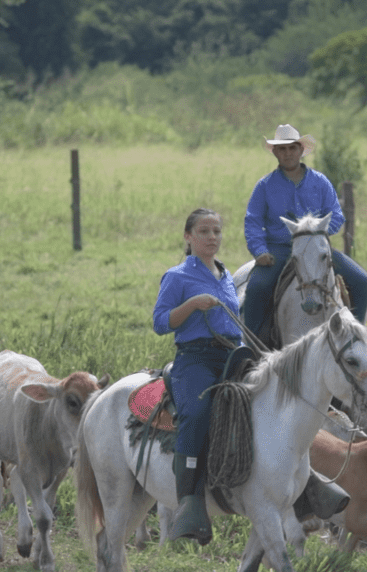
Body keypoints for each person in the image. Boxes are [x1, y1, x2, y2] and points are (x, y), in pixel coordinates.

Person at [152, 208, 242, 545]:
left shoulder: (226, 275)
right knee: (198, 411)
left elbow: (235, 322)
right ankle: (188, 502)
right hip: (196, 358)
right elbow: (161, 322)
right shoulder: (177, 276)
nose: (212, 237)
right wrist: (192, 304)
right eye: (204, 231)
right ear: (188, 237)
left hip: (232, 354)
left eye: (217, 231)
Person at [243, 123, 367, 345]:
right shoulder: (264, 186)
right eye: (282, 149)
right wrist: (260, 251)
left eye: (292, 148)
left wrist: (318, 234)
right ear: (275, 152)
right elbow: (253, 221)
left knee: (361, 280)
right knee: (257, 288)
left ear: (301, 150)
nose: (288, 153)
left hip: (317, 247)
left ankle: (356, 339)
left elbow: (336, 215)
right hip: (280, 249)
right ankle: (251, 347)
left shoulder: (320, 182)